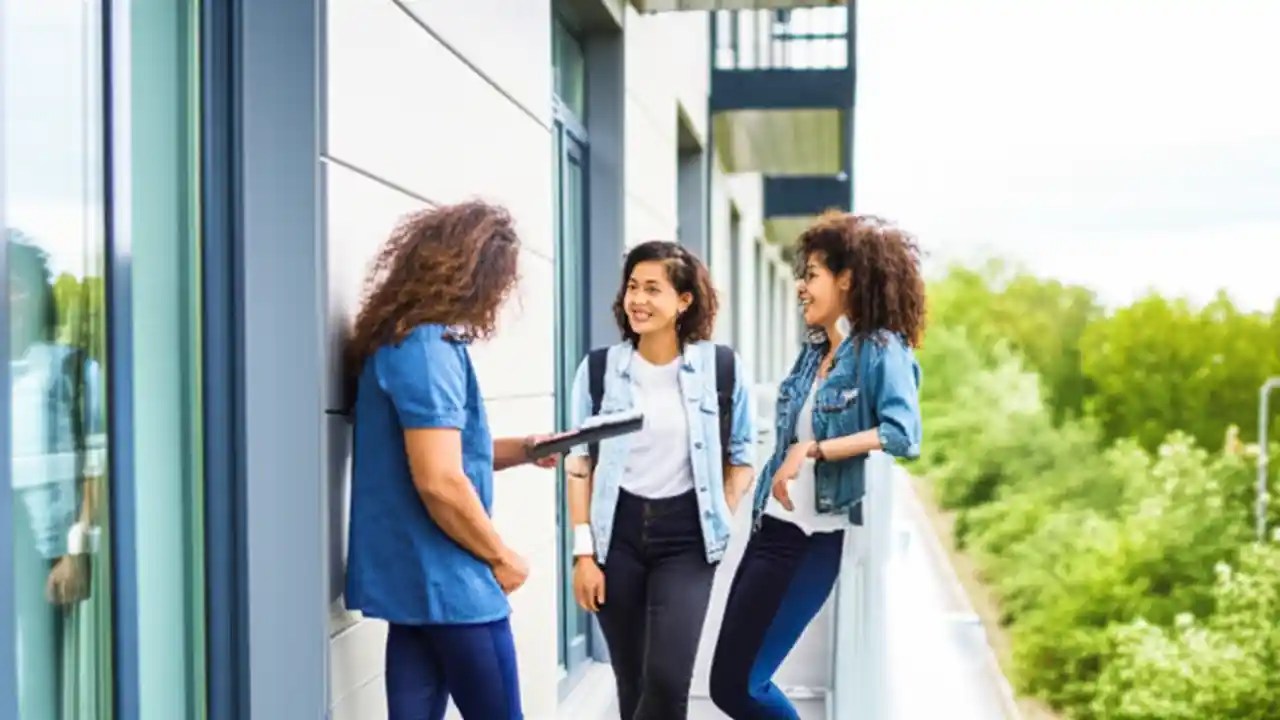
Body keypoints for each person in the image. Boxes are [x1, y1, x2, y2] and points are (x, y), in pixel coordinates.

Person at [343, 201, 556, 720]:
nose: (503, 294)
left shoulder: (402, 339)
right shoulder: (426, 348)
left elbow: (444, 452)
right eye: (502, 281)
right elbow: (439, 480)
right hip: (453, 585)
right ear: (476, 275)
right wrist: (501, 555)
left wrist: (527, 448)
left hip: (419, 590)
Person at [709, 212, 925, 719]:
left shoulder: (879, 349)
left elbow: (903, 434)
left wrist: (813, 450)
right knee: (727, 684)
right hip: (771, 532)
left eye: (811, 275)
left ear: (846, 278)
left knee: (744, 686)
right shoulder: (812, 354)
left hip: (812, 541)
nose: (800, 287)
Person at [564, 240, 755, 720]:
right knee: (633, 681)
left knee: (669, 682)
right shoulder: (599, 371)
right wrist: (583, 553)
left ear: (684, 301)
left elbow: (742, 456)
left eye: (653, 289)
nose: (638, 300)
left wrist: (721, 513)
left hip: (687, 539)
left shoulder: (721, 368)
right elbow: (578, 462)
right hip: (617, 535)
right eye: (632, 287)